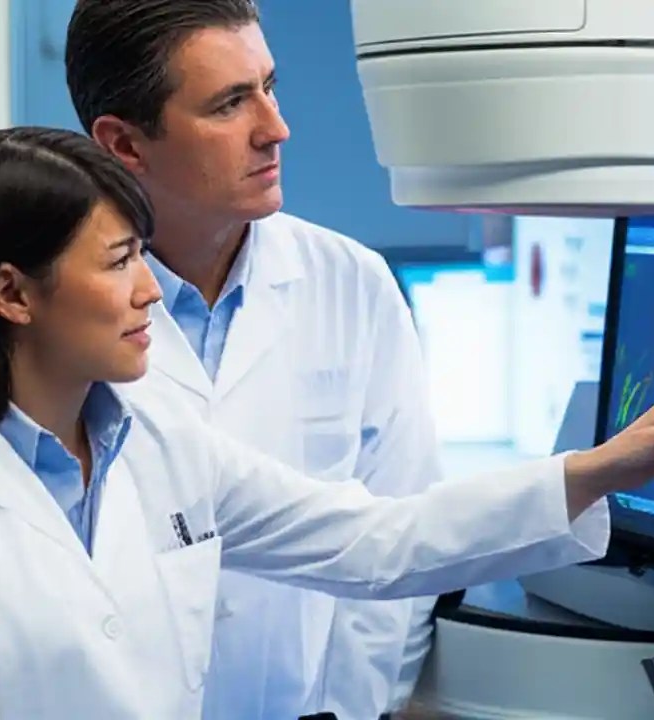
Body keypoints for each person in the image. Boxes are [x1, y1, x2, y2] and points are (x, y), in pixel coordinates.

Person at [0, 126, 654, 719]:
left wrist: (595, 470)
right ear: (13, 294)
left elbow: (375, 538)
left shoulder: (156, 446)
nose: (151, 287)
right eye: (119, 262)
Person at [63, 1, 443, 716]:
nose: (275, 128)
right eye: (230, 104)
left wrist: (347, 709)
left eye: (269, 86)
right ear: (124, 143)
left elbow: (402, 537)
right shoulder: (57, 312)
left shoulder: (351, 284)